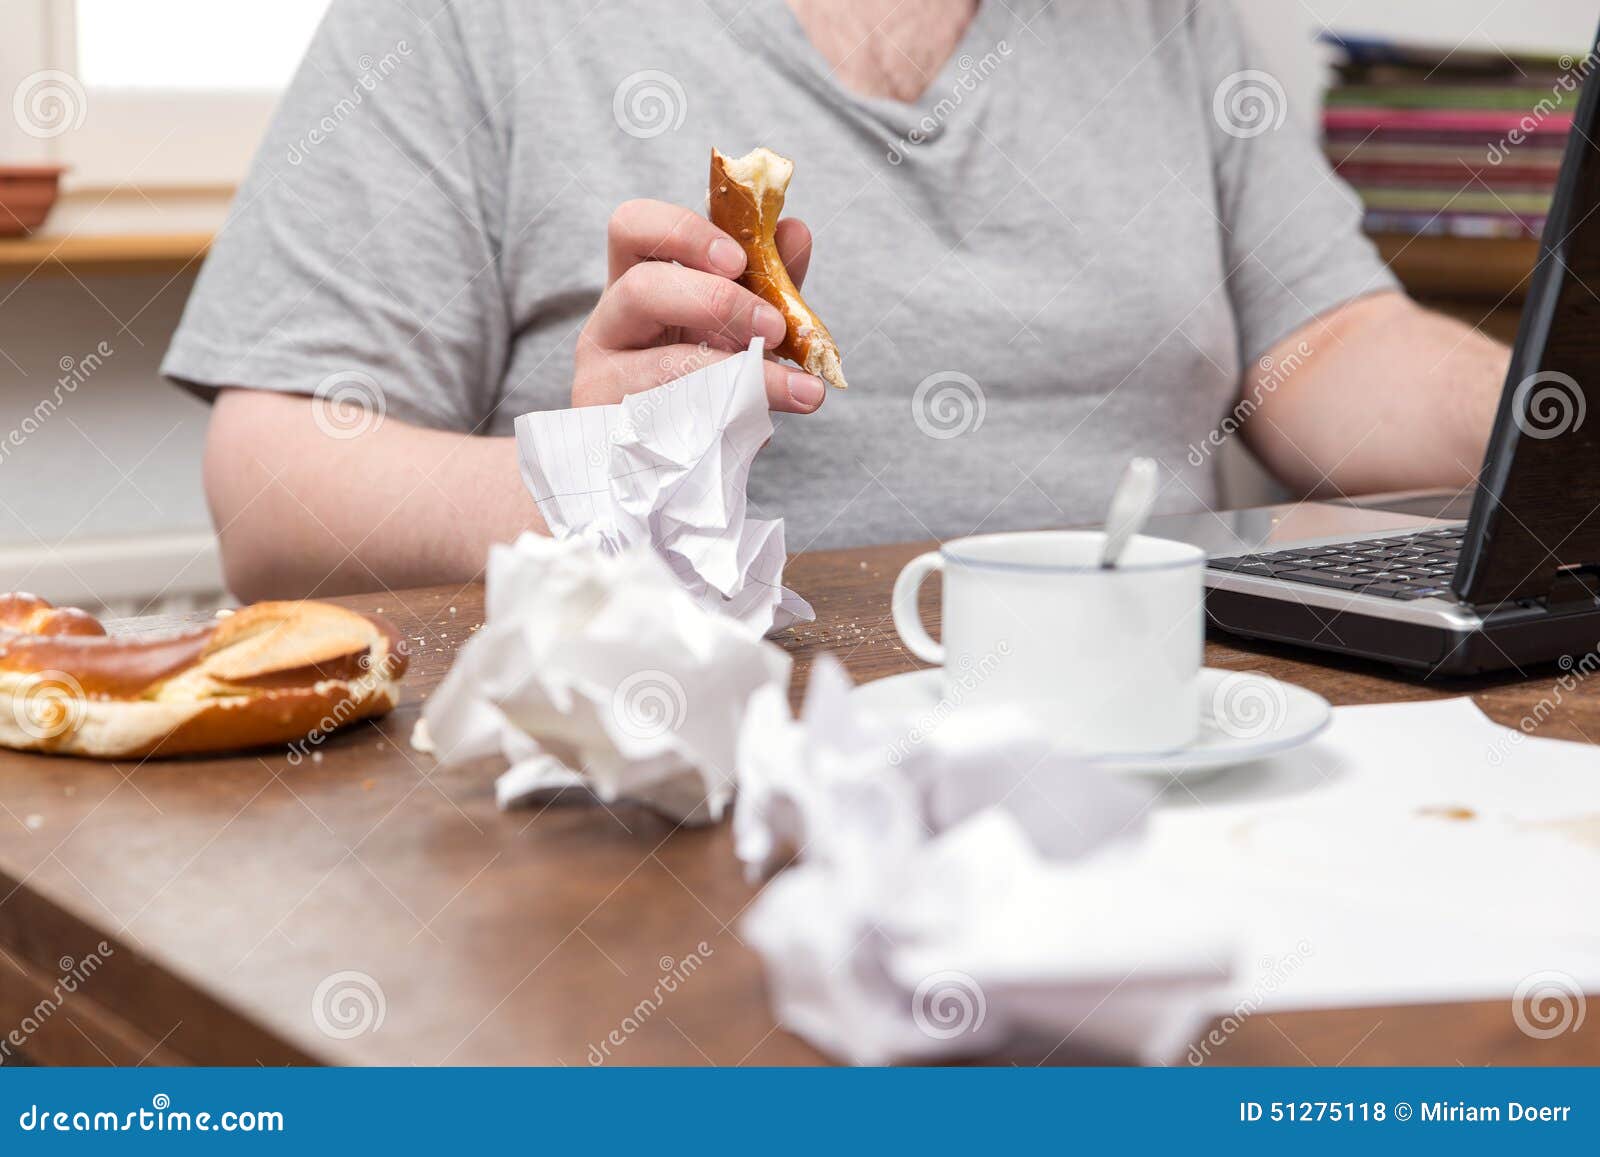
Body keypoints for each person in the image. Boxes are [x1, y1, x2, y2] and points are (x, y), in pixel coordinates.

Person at [164, 0, 1509, 600]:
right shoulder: (466, 19)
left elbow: (1330, 345)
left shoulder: (1172, 21)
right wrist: (595, 483)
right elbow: (271, 488)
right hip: (671, 812)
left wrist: (1554, 408)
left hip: (1145, 756)